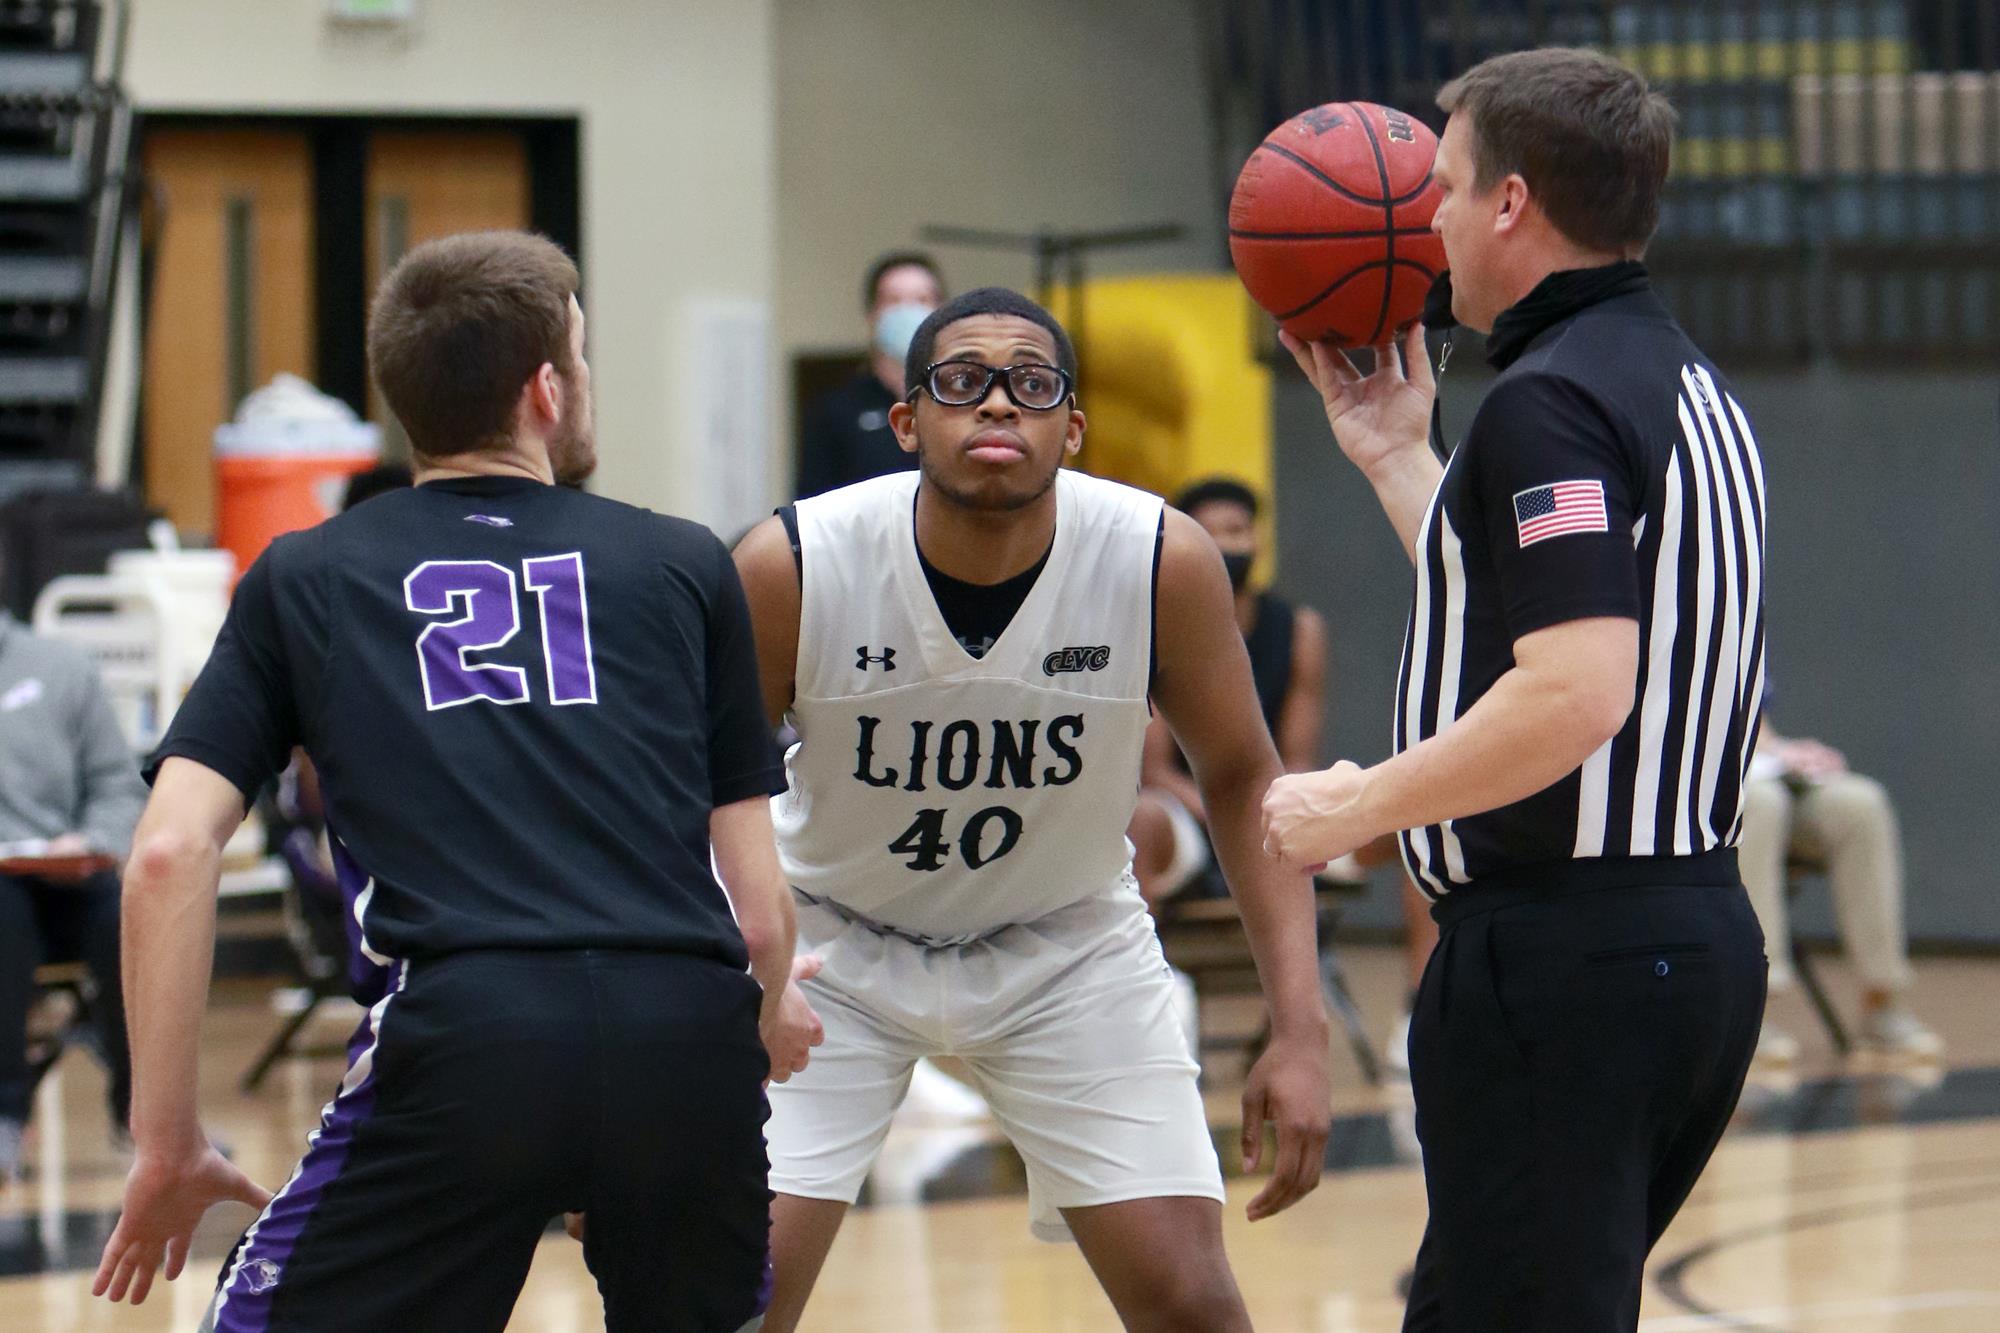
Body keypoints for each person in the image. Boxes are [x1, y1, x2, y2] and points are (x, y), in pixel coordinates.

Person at [91, 230, 818, 1332]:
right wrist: (726, 1051)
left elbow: (166, 851)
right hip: (684, 1029)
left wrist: (168, 1140)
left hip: (467, 1031)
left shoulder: (308, 572)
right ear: (545, 388)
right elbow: (760, 918)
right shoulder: (683, 562)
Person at [1263, 49, 1770, 1331]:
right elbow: (1551, 609)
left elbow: (1573, 692)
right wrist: (1396, 460)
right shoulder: (1674, 380)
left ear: (1508, 203)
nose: (1424, 218)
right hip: (1682, 941)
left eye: (1440, 186)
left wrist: (1353, 808)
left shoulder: (1549, 403)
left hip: (1565, 960)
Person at [734, 287, 1332, 1332]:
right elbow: (700, 791)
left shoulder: (1159, 558)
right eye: (963, 382)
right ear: (908, 421)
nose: (999, 406)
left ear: (1072, 427)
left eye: (1032, 384)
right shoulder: (791, 562)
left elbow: (1242, 777)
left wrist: (1300, 1025)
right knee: (734, 1299)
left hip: (1065, 946)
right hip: (831, 951)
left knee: (1192, 1302)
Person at [1127, 476, 1327, 908]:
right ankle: (1153, 969)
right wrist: (1225, 812)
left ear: (1257, 539)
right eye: (1210, 533)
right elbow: (1156, 771)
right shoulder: (1157, 623)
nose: (1225, 544)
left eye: (1236, 531)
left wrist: (1269, 809)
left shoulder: (1298, 629)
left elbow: (1297, 758)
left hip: (1271, 806)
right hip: (1186, 808)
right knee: (1140, 818)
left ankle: (1421, 977)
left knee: (1420, 815)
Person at [0, 599, 145, 1173]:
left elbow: (116, 780)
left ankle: (147, 1117)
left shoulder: (62, 667)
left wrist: (93, 839)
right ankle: (6, 1114)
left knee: (133, 912)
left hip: (65, 872)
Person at [1737, 721, 1941, 1061]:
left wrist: (1780, 751)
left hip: (1756, 768)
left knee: (1859, 803)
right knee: (1761, 802)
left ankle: (1882, 997)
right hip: (1694, 788)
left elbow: (1747, 713)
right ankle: (1748, 1011)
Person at [793, 251, 946, 498]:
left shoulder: (960, 403)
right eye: (894, 301)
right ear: (872, 314)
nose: (908, 311)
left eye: (921, 299)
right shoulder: (834, 411)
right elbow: (810, 512)